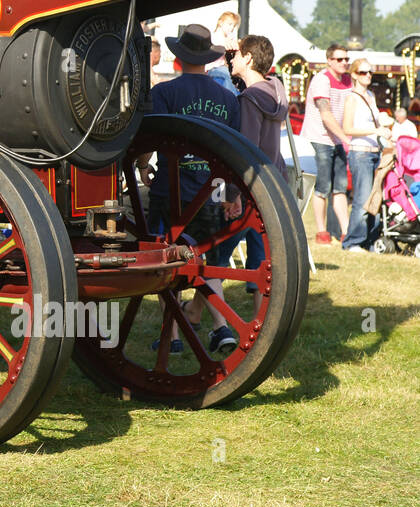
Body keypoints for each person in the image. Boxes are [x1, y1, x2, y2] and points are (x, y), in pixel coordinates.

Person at [141, 23, 242, 355]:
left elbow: (148, 139)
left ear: (178, 58)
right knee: (206, 261)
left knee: (164, 262)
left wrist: (142, 164)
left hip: (171, 193)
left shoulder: (165, 93)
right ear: (207, 57)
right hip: (210, 194)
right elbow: (234, 154)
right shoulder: (227, 99)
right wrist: (231, 195)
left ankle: (171, 337)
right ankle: (221, 327)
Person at [228, 35, 289, 287]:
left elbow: (246, 148)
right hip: (275, 179)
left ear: (249, 58)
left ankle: (197, 312)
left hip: (252, 184)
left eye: (237, 54)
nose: (233, 58)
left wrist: (233, 192)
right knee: (260, 258)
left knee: (217, 253)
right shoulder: (276, 89)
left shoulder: (250, 98)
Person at [300, 44, 353, 245]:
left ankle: (345, 231)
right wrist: (347, 138)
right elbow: (326, 115)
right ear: (329, 60)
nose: (344, 62)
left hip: (337, 139)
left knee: (340, 188)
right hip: (320, 138)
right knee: (323, 187)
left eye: (346, 59)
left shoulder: (348, 81)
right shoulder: (322, 80)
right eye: (339, 59)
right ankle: (322, 232)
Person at [341, 59, 389, 253]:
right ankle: (353, 241)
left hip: (374, 152)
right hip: (360, 152)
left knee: (374, 198)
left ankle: (369, 239)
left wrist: (384, 126)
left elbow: (376, 124)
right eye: (363, 72)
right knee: (361, 199)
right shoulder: (352, 98)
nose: (368, 75)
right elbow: (347, 128)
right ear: (354, 75)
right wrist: (375, 130)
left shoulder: (370, 95)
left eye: (370, 72)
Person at [207, 11, 241, 93]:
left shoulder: (228, 37)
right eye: (229, 24)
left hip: (220, 68)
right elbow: (222, 46)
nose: (232, 28)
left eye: (234, 25)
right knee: (227, 74)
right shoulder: (216, 36)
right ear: (221, 23)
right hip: (213, 68)